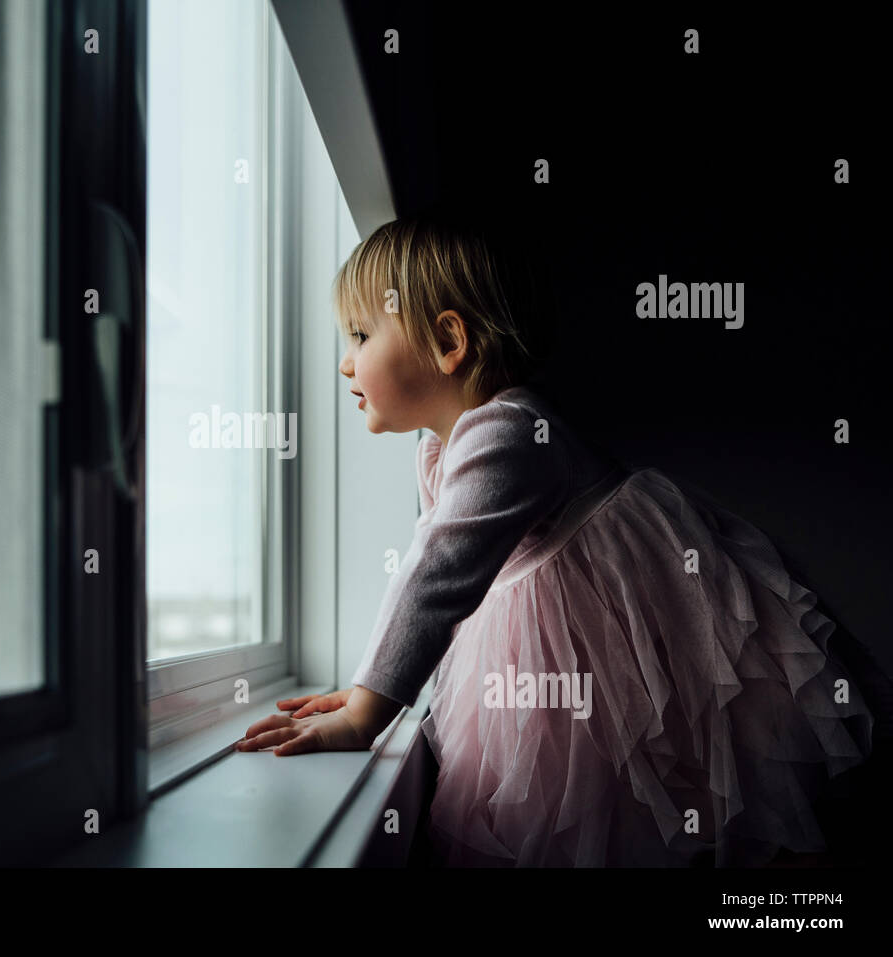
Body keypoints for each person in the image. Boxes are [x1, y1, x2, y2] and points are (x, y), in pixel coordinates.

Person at [235, 214, 876, 866]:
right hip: (544, 653)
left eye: (362, 334)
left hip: (600, 649)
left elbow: (436, 576)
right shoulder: (440, 450)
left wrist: (365, 713)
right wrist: (367, 681)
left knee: (616, 813)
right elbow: (424, 572)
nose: (346, 359)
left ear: (448, 340)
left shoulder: (507, 430)